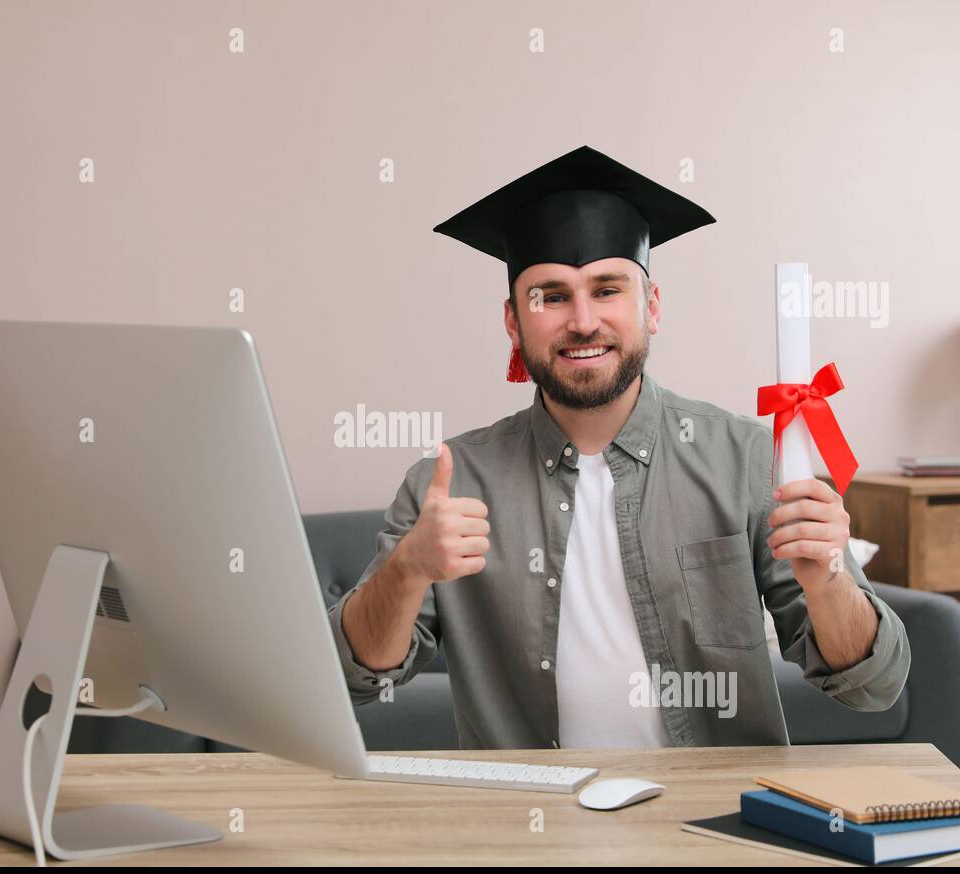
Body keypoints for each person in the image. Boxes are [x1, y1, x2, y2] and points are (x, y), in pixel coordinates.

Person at [328, 145, 909, 749]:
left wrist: (828, 581)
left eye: (607, 289)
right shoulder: (448, 484)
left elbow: (874, 685)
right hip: (531, 828)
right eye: (550, 296)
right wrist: (406, 571)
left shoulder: (746, 462)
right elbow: (354, 679)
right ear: (512, 322)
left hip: (708, 826)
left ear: (650, 307)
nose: (582, 321)